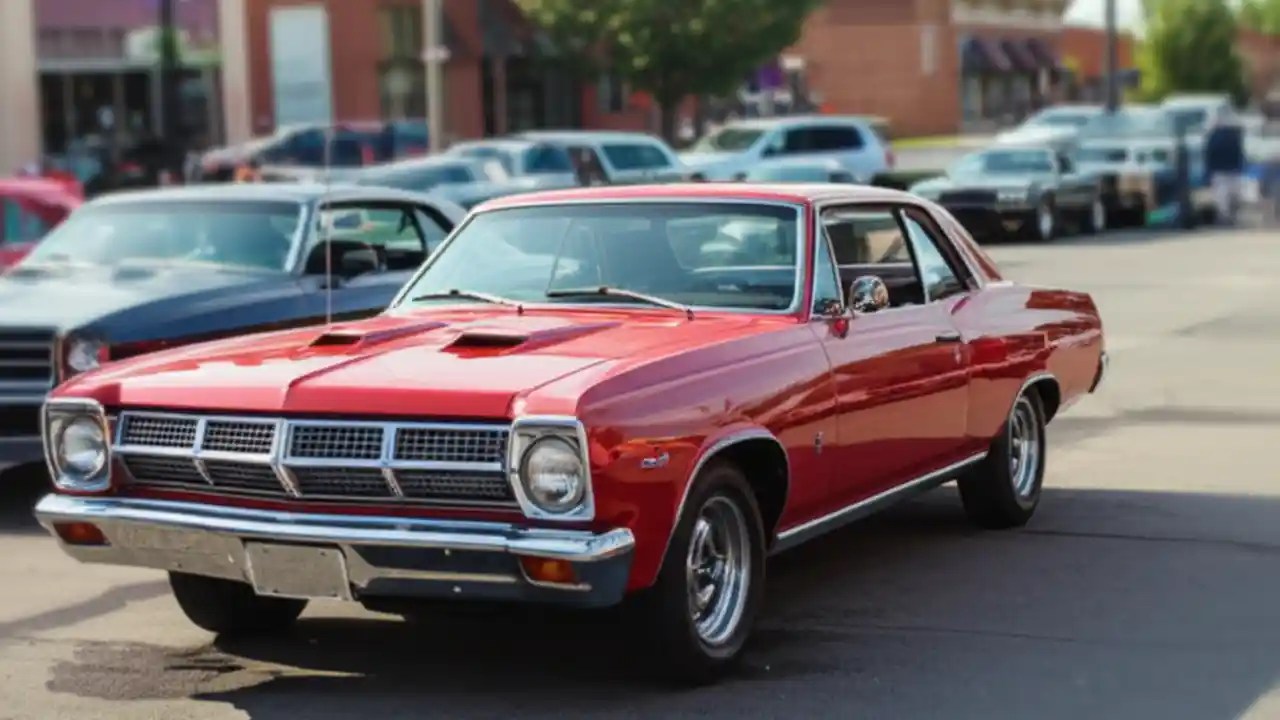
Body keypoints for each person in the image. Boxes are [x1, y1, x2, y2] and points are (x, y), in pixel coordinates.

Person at [1204, 106, 1246, 224]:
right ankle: (1230, 215)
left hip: (1220, 169)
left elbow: (1209, 154)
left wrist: (1209, 171)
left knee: (1222, 196)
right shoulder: (1234, 135)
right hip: (1231, 169)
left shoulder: (1214, 136)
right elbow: (1239, 153)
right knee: (1231, 194)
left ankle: (1225, 216)